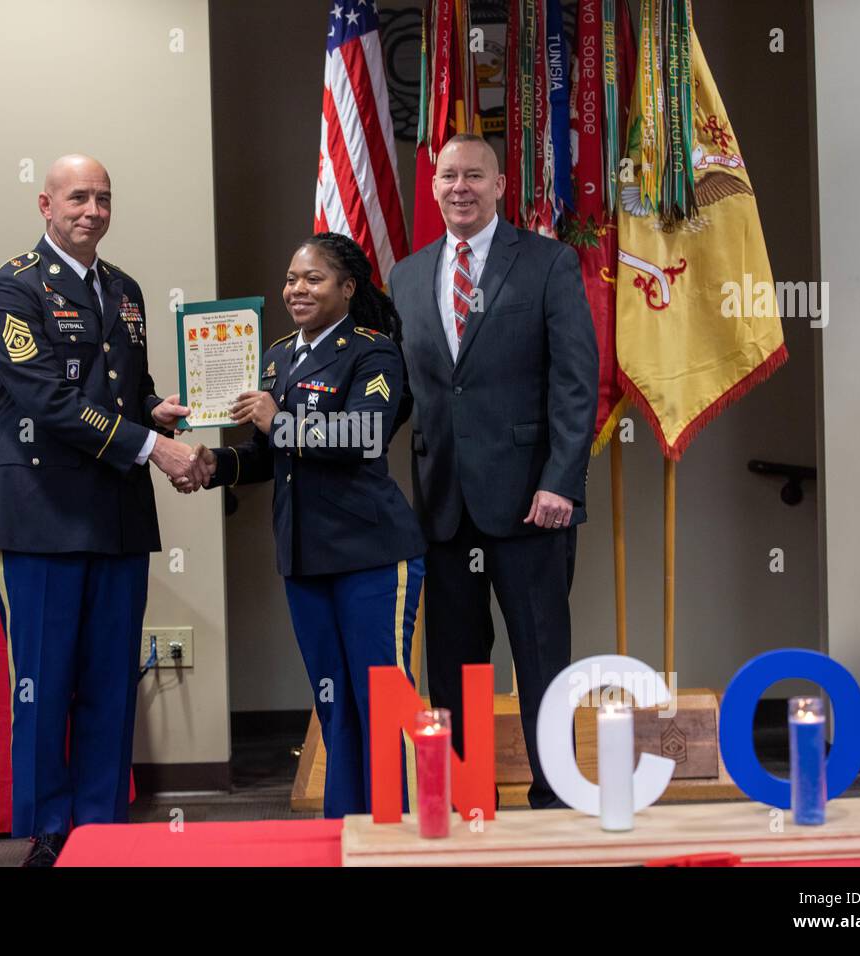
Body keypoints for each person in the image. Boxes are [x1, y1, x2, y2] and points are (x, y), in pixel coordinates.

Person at [0, 155, 204, 866]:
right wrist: (151, 448)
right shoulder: (11, 288)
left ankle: (102, 826)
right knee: (44, 683)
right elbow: (46, 401)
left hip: (115, 513)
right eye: (78, 197)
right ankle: (49, 831)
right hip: (40, 514)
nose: (93, 210)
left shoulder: (126, 289)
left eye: (104, 198)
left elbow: (122, 391)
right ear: (46, 204)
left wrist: (155, 412)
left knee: (111, 679)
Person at [181, 233, 426, 818]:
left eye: (313, 279)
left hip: (370, 554)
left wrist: (279, 418)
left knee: (382, 700)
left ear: (347, 287)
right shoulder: (278, 355)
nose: (296, 289)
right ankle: (347, 826)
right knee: (334, 700)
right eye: (291, 278)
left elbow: (363, 436)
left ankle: (399, 832)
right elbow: (270, 453)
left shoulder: (374, 351)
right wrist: (219, 465)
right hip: (303, 556)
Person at [388, 134, 599, 809]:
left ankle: (555, 797)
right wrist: (303, 424)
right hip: (443, 506)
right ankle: (468, 798)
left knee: (541, 658)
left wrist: (562, 481)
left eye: (474, 176)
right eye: (448, 176)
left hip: (530, 505)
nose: (460, 188)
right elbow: (399, 392)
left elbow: (576, 384)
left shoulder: (547, 264)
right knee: (454, 666)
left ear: (501, 185)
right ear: (433, 186)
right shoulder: (407, 275)